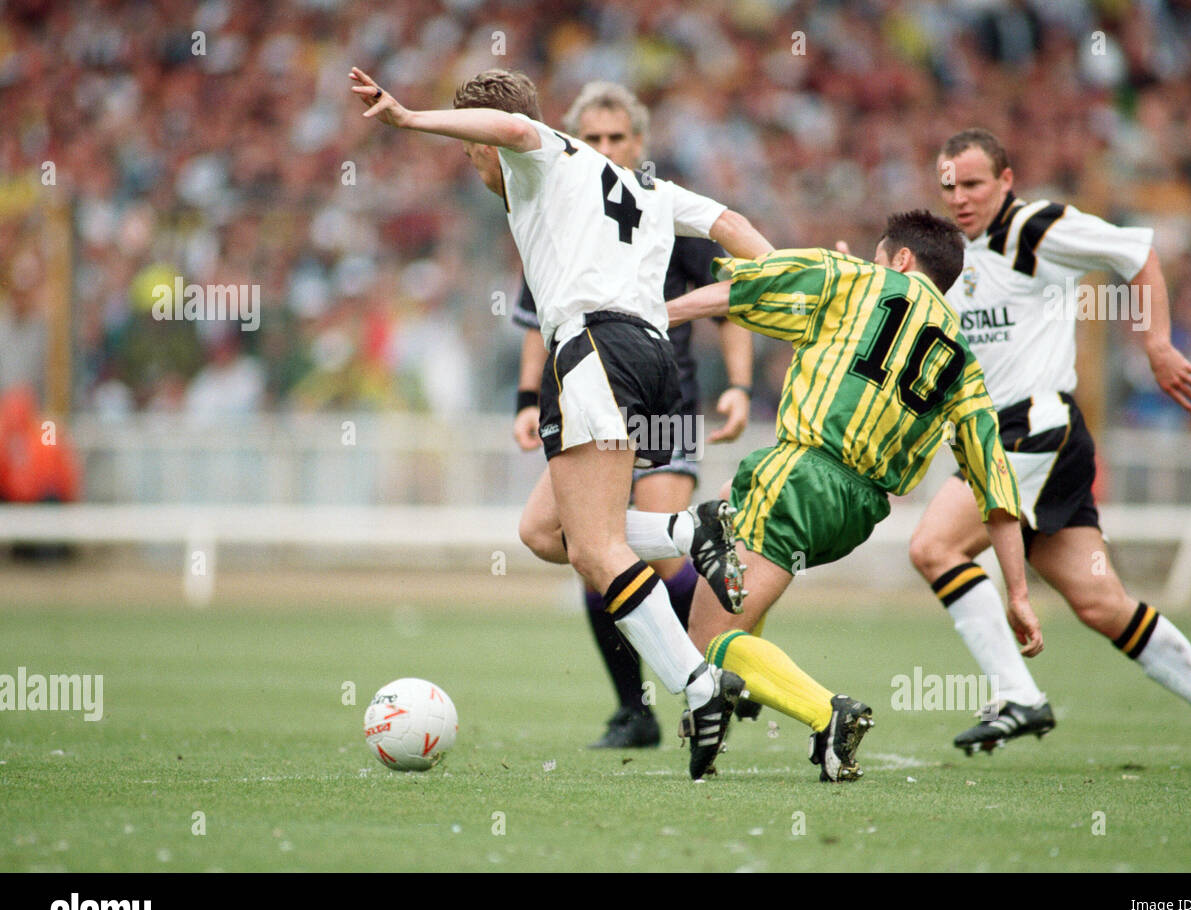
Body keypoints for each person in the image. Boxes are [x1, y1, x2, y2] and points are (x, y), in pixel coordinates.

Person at [349, 66, 773, 779]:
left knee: (596, 551)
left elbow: (515, 127)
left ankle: (698, 688)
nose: (470, 158)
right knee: (545, 532)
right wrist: (801, 270)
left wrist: (409, 119)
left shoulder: (542, 150)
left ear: (486, 142)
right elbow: (727, 224)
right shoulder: (646, 186)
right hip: (650, 359)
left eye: (467, 144)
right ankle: (688, 532)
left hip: (594, 353)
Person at [908, 128, 1191, 770]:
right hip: (1027, 444)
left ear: (1006, 180)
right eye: (949, 187)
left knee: (933, 546)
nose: (960, 198)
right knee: (1102, 603)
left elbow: (1139, 255)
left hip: (1032, 432)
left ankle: (1018, 694)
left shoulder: (1038, 228)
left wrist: (1156, 343)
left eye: (972, 184)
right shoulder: (955, 254)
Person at [667, 211, 1044, 782]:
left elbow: (746, 285)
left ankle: (826, 713)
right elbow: (996, 489)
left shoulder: (852, 278)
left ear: (900, 259)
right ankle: (743, 689)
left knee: (707, 640)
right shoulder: (964, 362)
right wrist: (1017, 591)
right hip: (857, 509)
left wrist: (655, 315)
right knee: (727, 501)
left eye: (877, 257)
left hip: (804, 472)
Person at [510, 81, 754, 750]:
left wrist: (738, 382)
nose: (607, 148)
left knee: (617, 553)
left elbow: (731, 300)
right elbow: (538, 316)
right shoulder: (559, 200)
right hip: (588, 377)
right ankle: (637, 706)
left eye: (618, 137)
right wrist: (527, 398)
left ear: (639, 143)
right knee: (564, 538)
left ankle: (697, 680)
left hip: (657, 390)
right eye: (594, 137)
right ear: (575, 141)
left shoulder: (655, 200)